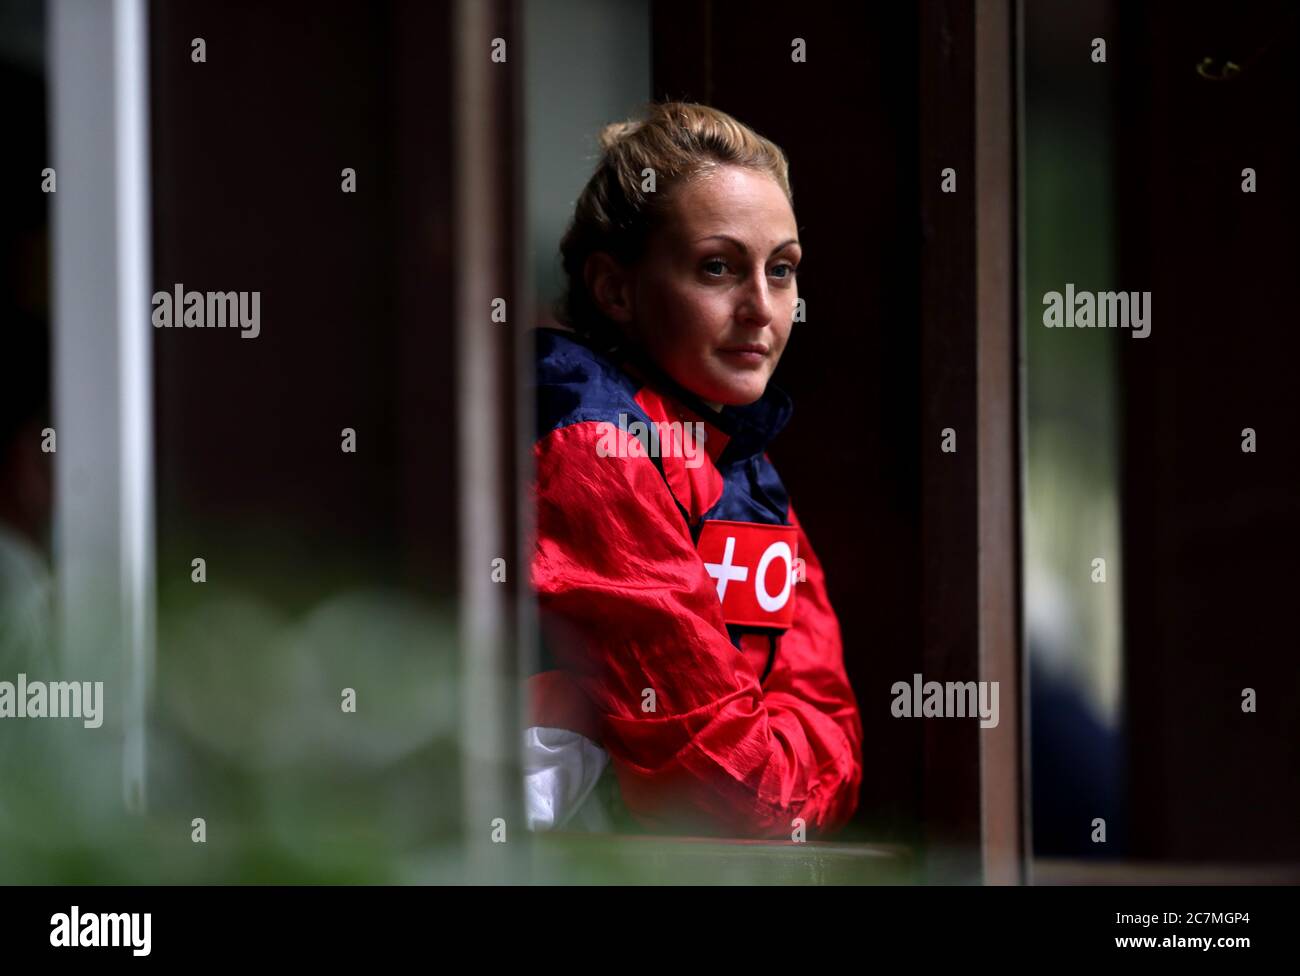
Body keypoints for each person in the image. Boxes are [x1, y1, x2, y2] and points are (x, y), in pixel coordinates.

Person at [525, 102, 862, 839]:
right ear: (615, 289)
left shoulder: (738, 457)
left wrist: (774, 767)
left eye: (782, 270)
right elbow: (724, 790)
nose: (762, 309)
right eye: (718, 267)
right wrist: (774, 766)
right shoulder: (589, 444)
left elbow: (830, 723)